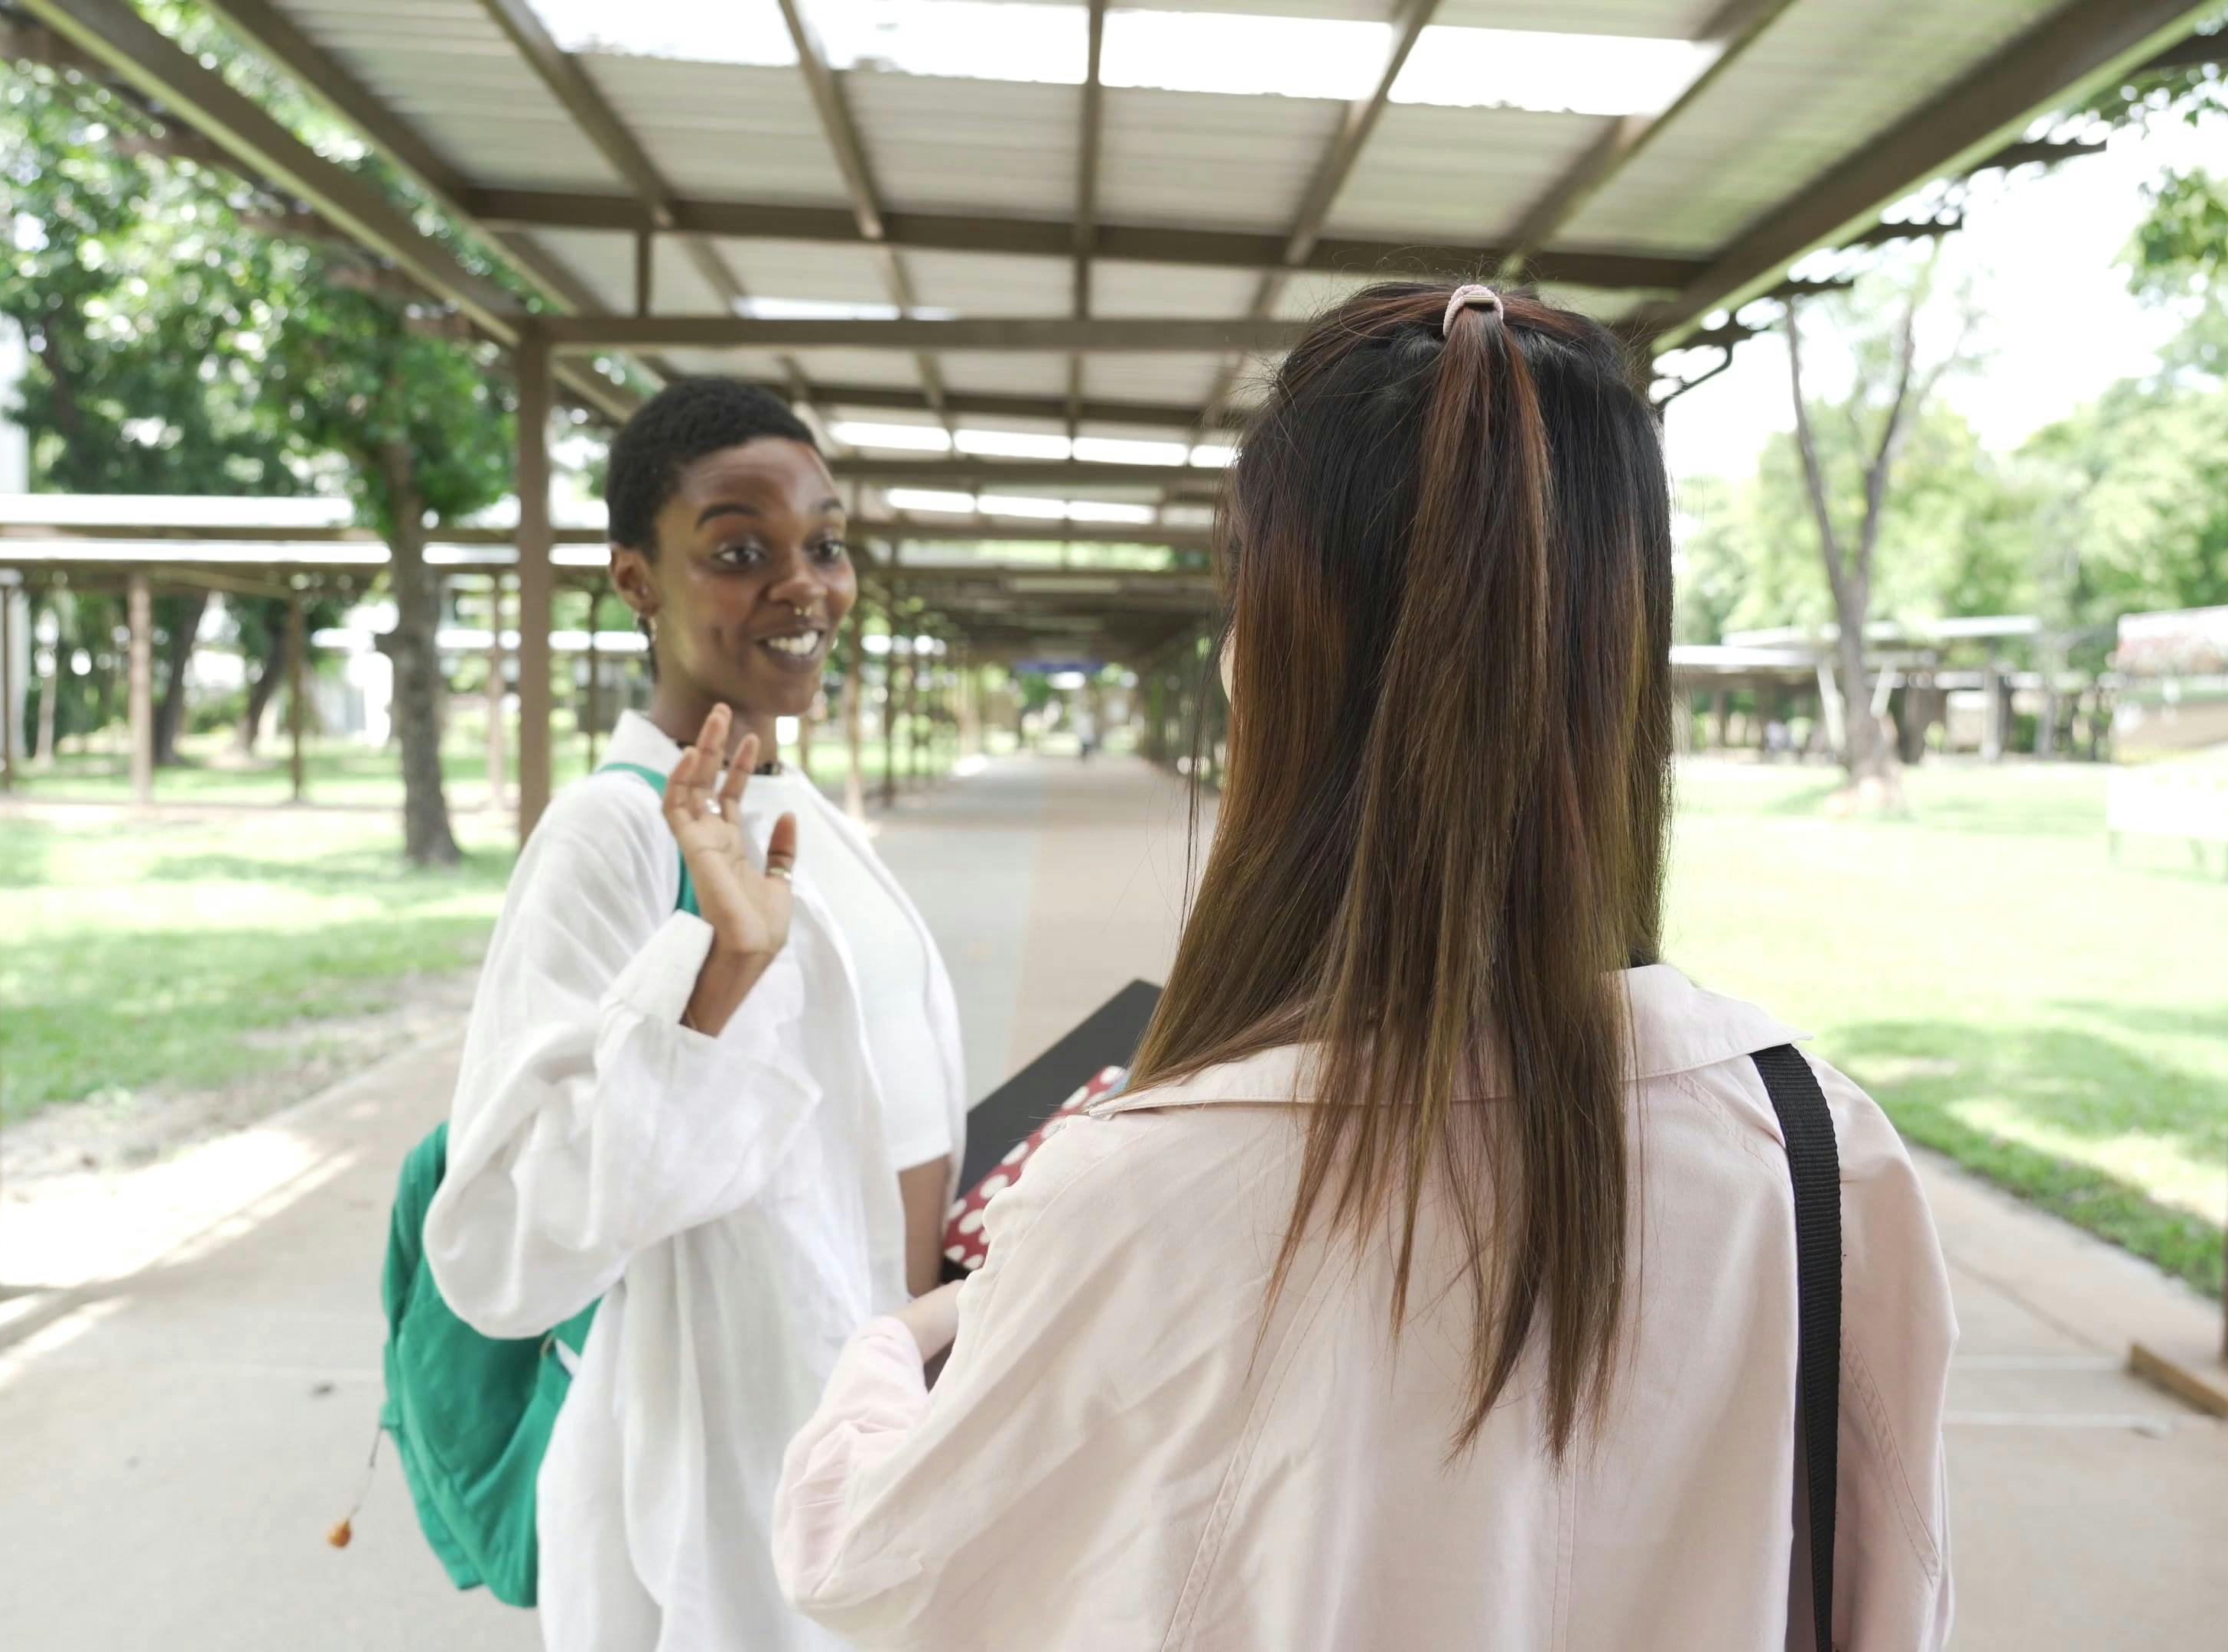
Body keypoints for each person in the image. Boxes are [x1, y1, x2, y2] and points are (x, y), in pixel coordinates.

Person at [769, 284, 1958, 1650]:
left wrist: (901, 1344)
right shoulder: (1819, 1156)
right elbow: (1891, 1601)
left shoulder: (1136, 1189)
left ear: (1278, 652)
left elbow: (872, 1564)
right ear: (1622, 661)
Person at [424, 378, 968, 1652]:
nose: (804, 585)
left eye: (823, 545)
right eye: (739, 551)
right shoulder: (606, 839)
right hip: (728, 1435)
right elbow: (509, 1239)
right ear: (637, 582)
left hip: (878, 1401)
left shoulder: (800, 810)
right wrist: (715, 978)